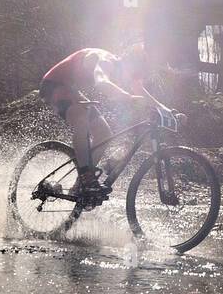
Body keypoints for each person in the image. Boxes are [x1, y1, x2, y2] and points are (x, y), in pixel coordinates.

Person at [38, 44, 174, 192]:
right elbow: (102, 83)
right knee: (81, 117)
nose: (138, 75)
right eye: (138, 70)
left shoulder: (125, 70)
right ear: (129, 62)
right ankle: (85, 176)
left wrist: (167, 111)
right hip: (53, 85)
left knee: (104, 133)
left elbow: (140, 91)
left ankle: (80, 185)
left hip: (70, 89)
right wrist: (129, 98)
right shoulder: (106, 60)